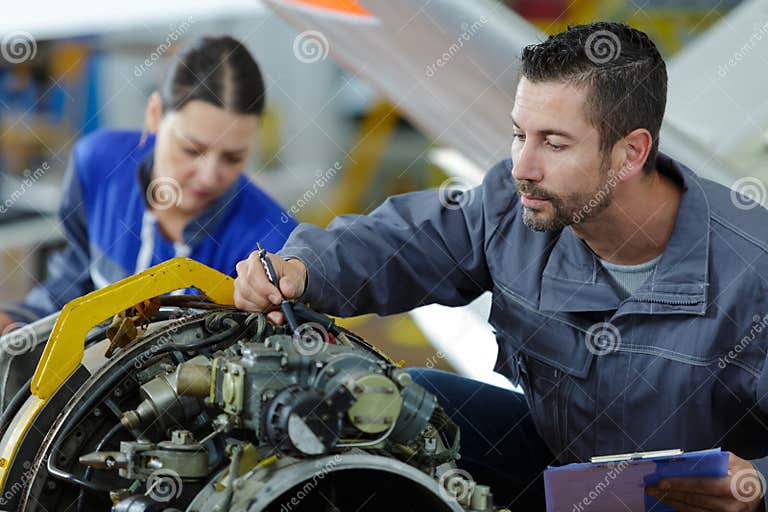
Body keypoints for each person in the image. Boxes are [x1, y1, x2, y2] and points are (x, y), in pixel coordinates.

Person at [233, 22, 768, 512]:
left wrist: (758, 485)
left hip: (679, 504)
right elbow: (404, 242)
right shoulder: (514, 206)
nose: (522, 167)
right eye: (519, 135)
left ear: (630, 154)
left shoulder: (751, 275)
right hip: (565, 472)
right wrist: (305, 267)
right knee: (398, 408)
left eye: (554, 143)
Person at [0, 35, 297, 410]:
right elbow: (75, 281)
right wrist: (16, 323)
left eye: (233, 158)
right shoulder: (98, 165)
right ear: (155, 115)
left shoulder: (273, 242)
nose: (208, 176)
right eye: (192, 149)